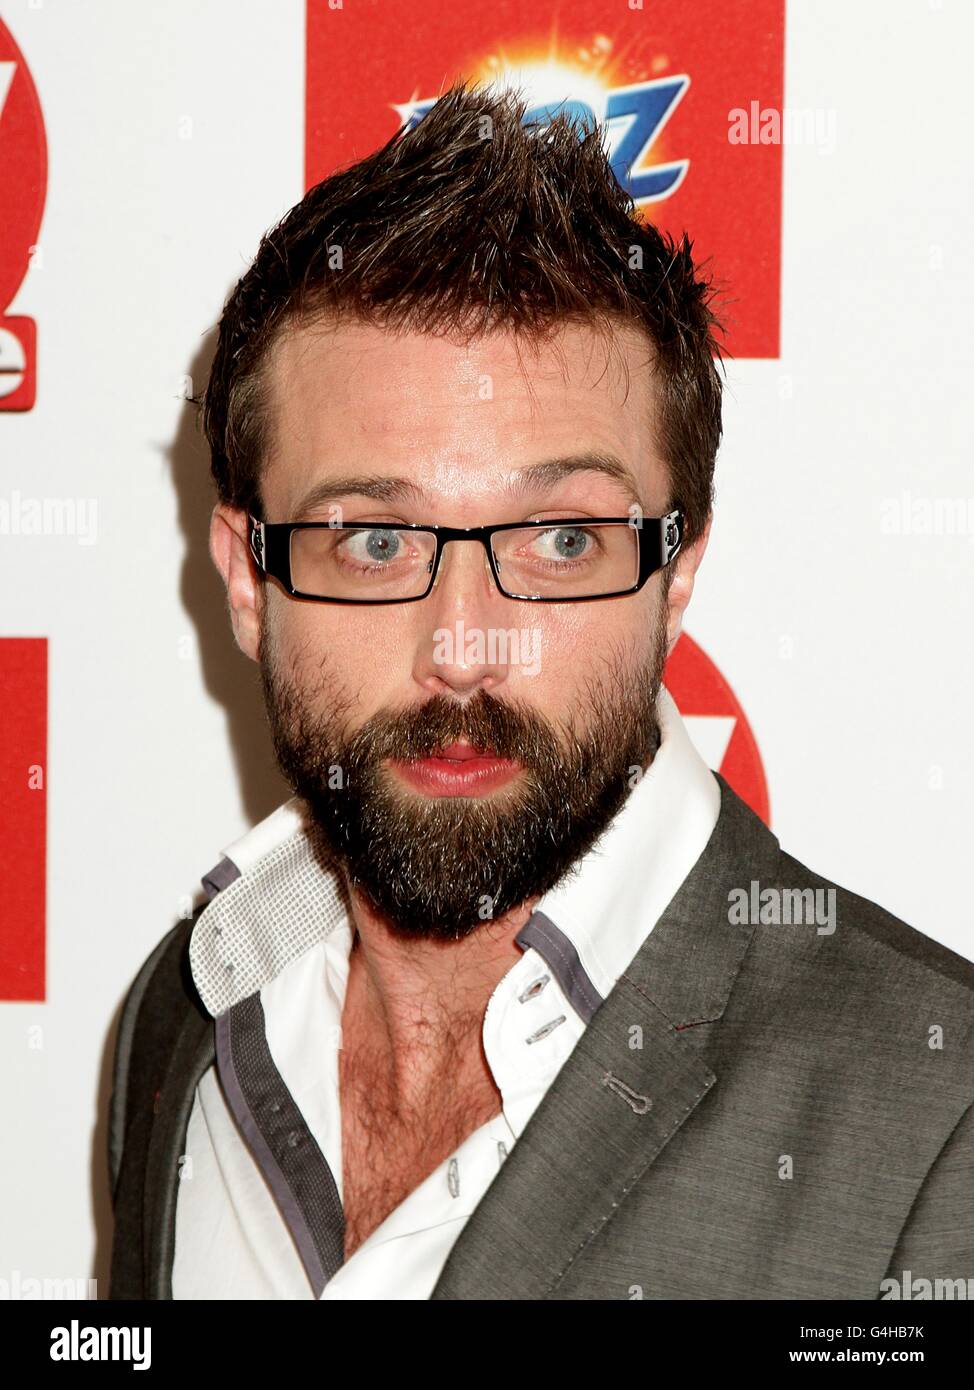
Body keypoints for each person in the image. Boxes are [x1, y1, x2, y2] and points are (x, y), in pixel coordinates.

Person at [108, 80, 974, 1300]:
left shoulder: (939, 1129)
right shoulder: (188, 1017)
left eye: (562, 541)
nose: (463, 650)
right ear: (247, 583)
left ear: (675, 575)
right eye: (374, 540)